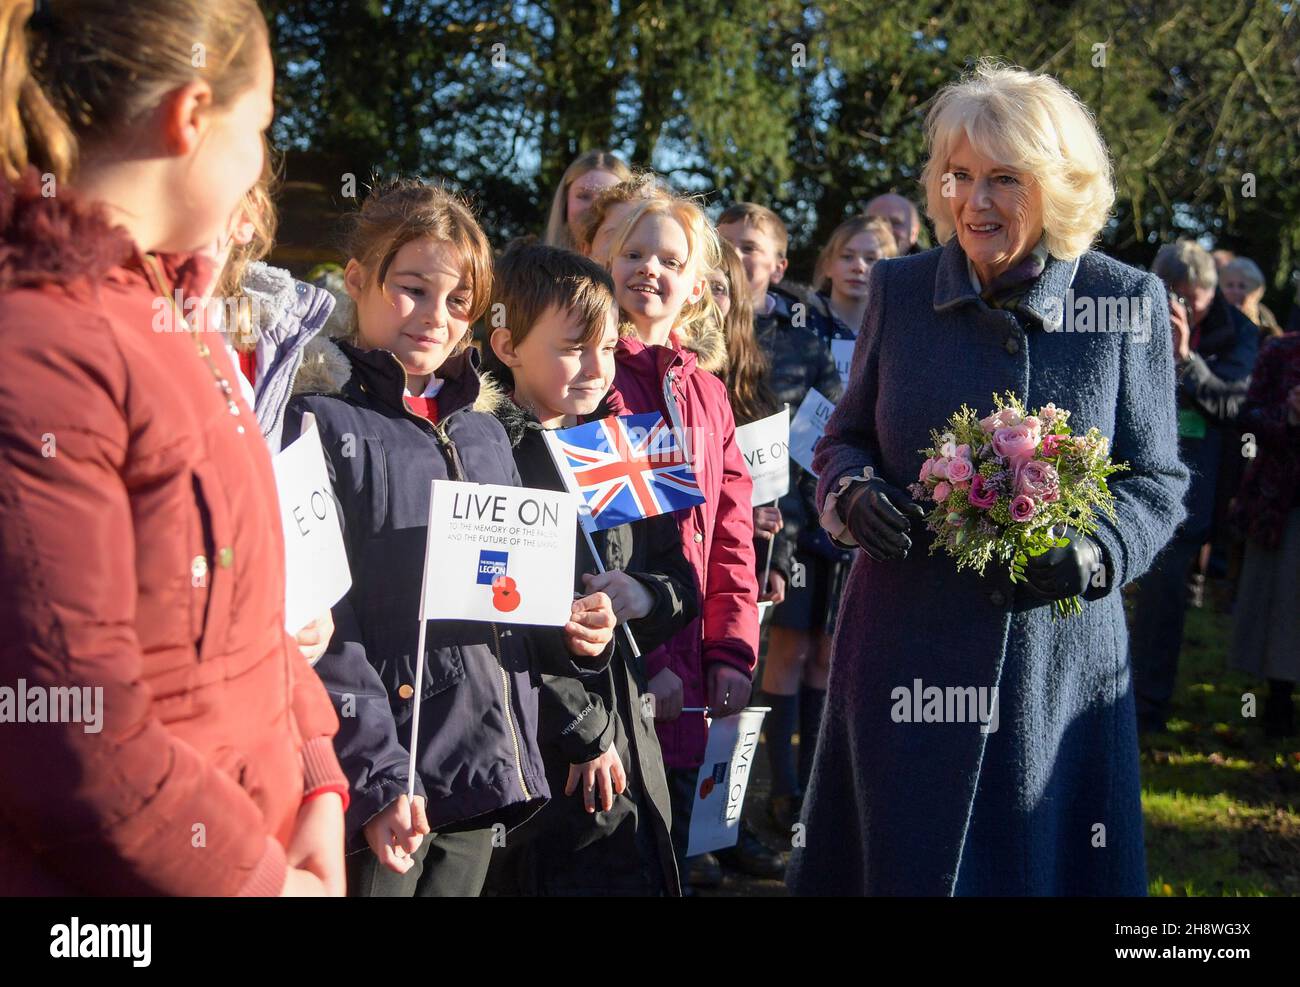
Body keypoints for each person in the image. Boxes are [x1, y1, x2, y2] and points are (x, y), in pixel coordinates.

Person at [789, 61, 1189, 896]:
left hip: (1054, 659)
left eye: (1005, 178)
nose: (975, 201)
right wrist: (853, 494)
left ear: (1059, 186)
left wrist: (1095, 550)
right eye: (960, 175)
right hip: (903, 645)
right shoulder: (899, 291)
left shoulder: (1128, 301)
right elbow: (844, 438)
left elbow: (1156, 478)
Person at [0, 0, 348, 896]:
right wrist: (261, 882)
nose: (262, 163)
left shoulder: (180, 318)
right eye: (261, 126)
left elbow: (247, 604)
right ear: (191, 116)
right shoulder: (41, 343)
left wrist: (314, 773)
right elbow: (70, 734)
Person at [284, 178, 617, 897]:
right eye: (412, 289)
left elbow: (508, 591)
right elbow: (320, 624)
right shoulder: (318, 422)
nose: (436, 317)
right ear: (357, 280)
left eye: (459, 301)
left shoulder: (485, 428)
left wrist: (566, 627)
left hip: (479, 769)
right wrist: (376, 776)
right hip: (383, 780)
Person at [482, 241, 696, 895]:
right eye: (573, 346)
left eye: (607, 347)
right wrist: (581, 730)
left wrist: (643, 595)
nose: (595, 367)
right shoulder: (486, 451)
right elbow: (496, 617)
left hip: (633, 735)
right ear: (507, 345)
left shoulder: (627, 440)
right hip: (549, 755)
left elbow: (682, 580)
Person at [588, 194, 762, 892]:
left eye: (670, 259)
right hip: (630, 669)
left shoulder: (711, 396)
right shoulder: (594, 379)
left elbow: (731, 537)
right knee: (623, 849)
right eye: (633, 253)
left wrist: (730, 651)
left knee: (683, 858)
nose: (649, 269)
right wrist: (650, 658)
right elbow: (609, 543)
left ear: (697, 286)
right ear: (604, 262)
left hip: (698, 672)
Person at [718, 202, 843, 844]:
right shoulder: (700, 337)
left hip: (787, 535)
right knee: (721, 673)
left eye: (749, 248)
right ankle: (710, 828)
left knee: (782, 668)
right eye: (726, 245)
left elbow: (827, 441)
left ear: (778, 264)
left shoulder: (804, 341)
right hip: (714, 532)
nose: (736, 259)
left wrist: (803, 525)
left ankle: (775, 808)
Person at [1130, 240, 1257, 733]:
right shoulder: (1130, 315)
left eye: (1194, 301)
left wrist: (1185, 358)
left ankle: (1147, 706)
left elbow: (1233, 405)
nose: (1185, 309)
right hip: (1129, 471)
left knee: (1163, 597)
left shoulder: (1238, 331)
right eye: (1174, 299)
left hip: (1194, 483)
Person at [1229, 332, 1300, 738]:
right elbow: (1248, 418)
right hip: (1281, 502)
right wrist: (1288, 419)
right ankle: (1276, 701)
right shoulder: (1279, 350)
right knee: (1281, 604)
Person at [809, 214, 899, 340]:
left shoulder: (899, 333)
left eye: (870, 259)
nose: (858, 267)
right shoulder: (802, 322)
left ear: (889, 271)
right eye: (847, 256)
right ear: (827, 266)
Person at [543, 151, 632, 253]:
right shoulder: (534, 267)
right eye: (584, 196)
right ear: (565, 202)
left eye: (610, 199)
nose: (595, 208)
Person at [1221, 257, 1284, 340]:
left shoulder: (1265, 318)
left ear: (1257, 292)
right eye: (1230, 285)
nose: (1235, 291)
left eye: (1242, 286)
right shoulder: (1214, 315)